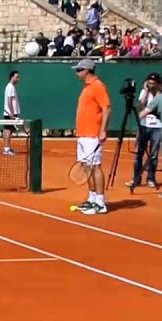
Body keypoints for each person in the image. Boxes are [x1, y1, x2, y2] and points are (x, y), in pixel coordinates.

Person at [71, 58, 112, 215]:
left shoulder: (97, 86)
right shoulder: (86, 87)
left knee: (95, 167)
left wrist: (102, 130)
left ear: (86, 70)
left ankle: (101, 203)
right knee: (86, 167)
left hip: (92, 134)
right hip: (82, 133)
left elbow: (106, 108)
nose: (77, 72)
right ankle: (92, 198)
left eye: (78, 70)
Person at [127, 72, 162, 190]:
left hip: (157, 126)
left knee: (153, 155)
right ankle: (136, 178)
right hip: (143, 124)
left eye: (154, 83)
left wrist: (157, 92)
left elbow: (160, 106)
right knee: (139, 153)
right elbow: (141, 104)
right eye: (149, 83)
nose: (151, 85)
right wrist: (146, 91)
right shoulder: (145, 92)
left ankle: (151, 178)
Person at [2, 70, 21, 156]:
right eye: (16, 77)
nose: (18, 79)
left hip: (10, 113)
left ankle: (7, 147)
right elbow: (9, 101)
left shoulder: (11, 87)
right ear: (12, 77)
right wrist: (12, 114)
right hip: (10, 113)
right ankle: (6, 148)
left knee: (9, 130)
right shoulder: (10, 87)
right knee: (8, 130)